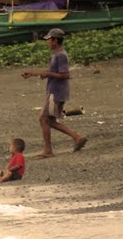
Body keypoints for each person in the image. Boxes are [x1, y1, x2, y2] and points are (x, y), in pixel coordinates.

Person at [21, 29, 87, 158]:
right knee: (49, 120)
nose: (48, 43)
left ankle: (48, 150)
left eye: (49, 40)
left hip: (56, 92)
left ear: (55, 40)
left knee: (44, 119)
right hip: (55, 91)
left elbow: (65, 74)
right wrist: (34, 73)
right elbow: (53, 72)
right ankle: (77, 138)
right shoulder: (56, 55)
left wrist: (47, 74)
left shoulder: (61, 55)